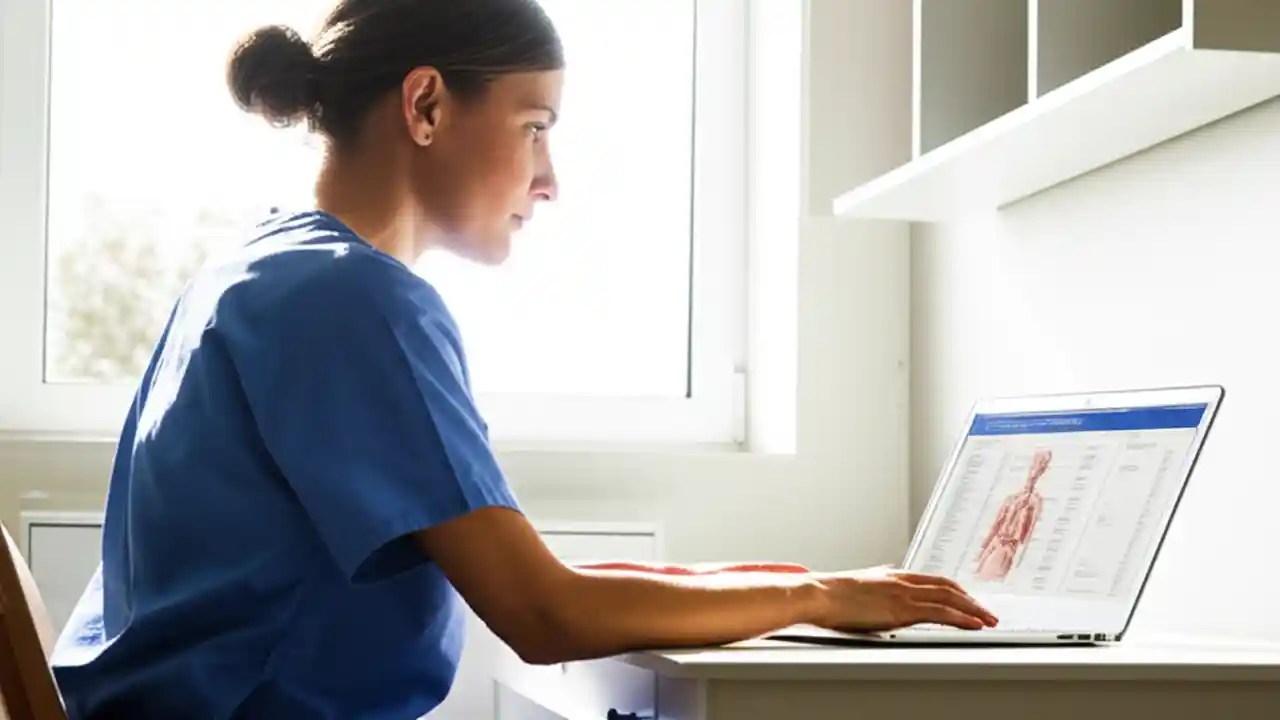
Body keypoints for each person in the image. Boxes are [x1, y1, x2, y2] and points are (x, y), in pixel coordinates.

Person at [49, 1, 997, 717]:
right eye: (535, 126)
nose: (551, 181)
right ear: (425, 104)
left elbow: (521, 569)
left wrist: (769, 585)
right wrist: (816, 595)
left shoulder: (259, 271)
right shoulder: (354, 300)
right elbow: (544, 615)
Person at [976, 449, 1050, 581]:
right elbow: (996, 525)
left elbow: (1030, 533)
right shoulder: (1012, 498)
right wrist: (983, 548)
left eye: (1040, 466)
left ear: (1043, 471)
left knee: (993, 576)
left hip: (1009, 547)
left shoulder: (1036, 501)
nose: (1035, 470)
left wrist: (1020, 560)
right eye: (1034, 464)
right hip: (996, 541)